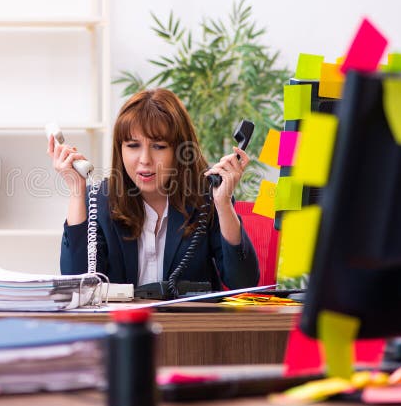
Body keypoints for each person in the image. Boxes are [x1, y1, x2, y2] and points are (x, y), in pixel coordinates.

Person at [49, 88, 258, 291]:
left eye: (159, 146)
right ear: (120, 149)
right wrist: (77, 190)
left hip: (189, 326)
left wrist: (222, 204)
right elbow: (77, 287)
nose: (145, 160)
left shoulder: (206, 197)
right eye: (133, 145)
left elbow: (243, 282)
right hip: (121, 325)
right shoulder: (99, 200)